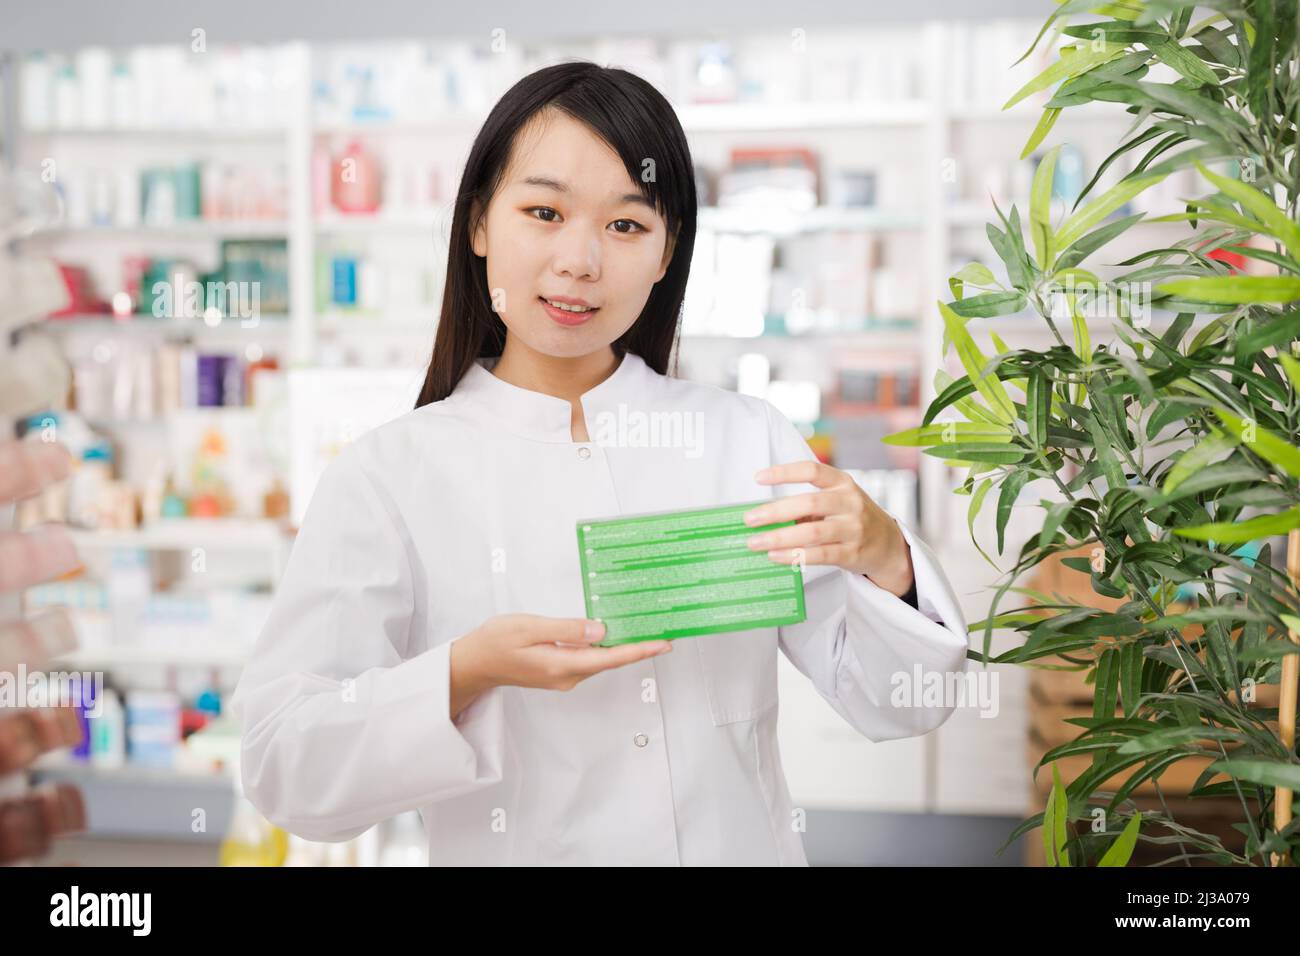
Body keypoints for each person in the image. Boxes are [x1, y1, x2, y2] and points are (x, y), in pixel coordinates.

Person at [230, 61, 970, 866]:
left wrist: (888, 558)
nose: (580, 260)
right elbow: (284, 768)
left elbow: (899, 705)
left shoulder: (746, 443)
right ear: (478, 224)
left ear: (666, 253)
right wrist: (463, 671)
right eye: (544, 211)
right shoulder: (388, 475)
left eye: (626, 225)